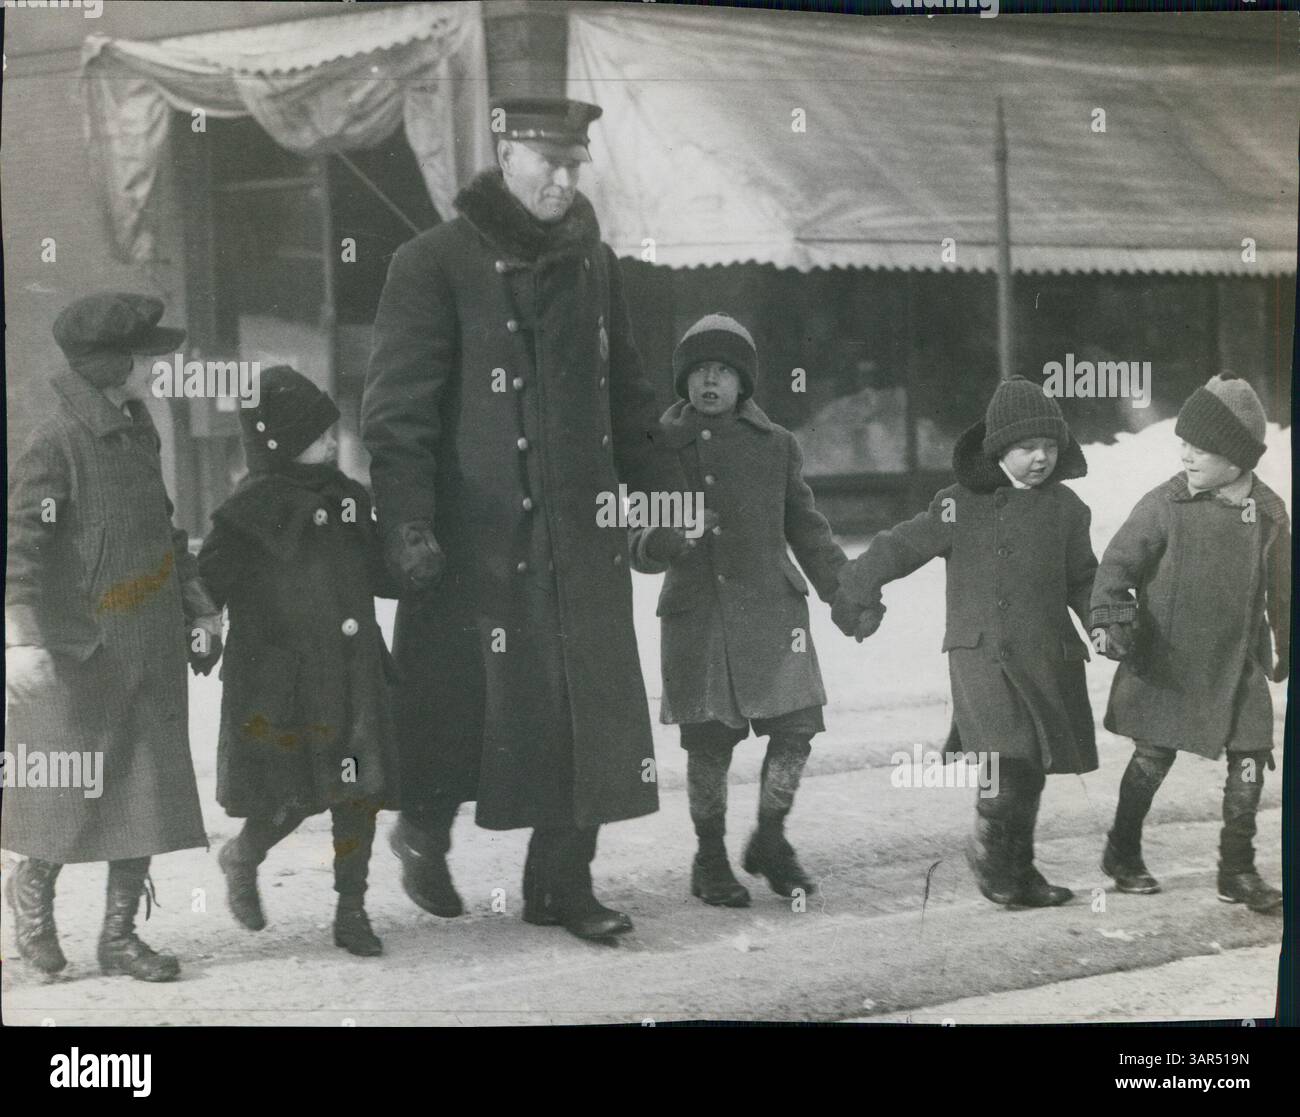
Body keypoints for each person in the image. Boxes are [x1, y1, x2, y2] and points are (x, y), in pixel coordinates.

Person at [361, 97, 686, 941]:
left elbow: (634, 397)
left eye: (577, 161)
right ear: (505, 154)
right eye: (549, 159)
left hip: (581, 538)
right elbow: (399, 416)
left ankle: (562, 885)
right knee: (458, 706)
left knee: (587, 710)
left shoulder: (597, 267)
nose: (566, 176)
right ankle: (423, 832)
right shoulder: (431, 262)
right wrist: (408, 525)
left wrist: (664, 497)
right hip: (474, 542)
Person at [4, 292, 220, 981]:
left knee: (148, 794)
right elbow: (22, 551)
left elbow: (166, 529)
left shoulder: (138, 429)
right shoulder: (55, 442)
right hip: (82, 654)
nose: (159, 367)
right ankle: (32, 899)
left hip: (150, 645)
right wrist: (21, 637)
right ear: (112, 364)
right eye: (148, 356)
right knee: (69, 799)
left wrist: (201, 607)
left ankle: (119, 937)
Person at [834, 376, 1099, 907]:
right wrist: (856, 589)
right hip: (982, 656)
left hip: (1046, 655)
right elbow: (900, 545)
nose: (1041, 458)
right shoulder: (959, 504)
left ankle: (1014, 870)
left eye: (1050, 447)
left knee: (1029, 768)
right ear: (999, 448)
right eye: (1027, 448)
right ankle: (994, 860)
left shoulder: (1068, 508)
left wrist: (1105, 622)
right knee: (1006, 761)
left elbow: (1083, 579)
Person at [631, 314, 845, 907]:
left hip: (773, 613)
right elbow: (631, 532)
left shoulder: (777, 445)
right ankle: (710, 858)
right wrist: (659, 542)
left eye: (723, 372)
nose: (710, 382)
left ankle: (771, 839)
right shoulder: (656, 446)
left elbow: (808, 529)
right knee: (709, 743)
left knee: (797, 728)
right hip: (696, 617)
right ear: (683, 380)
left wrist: (845, 593)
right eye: (699, 371)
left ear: (743, 383)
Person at [199, 366, 401, 956]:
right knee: (288, 796)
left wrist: (412, 564)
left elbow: (379, 577)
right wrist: (200, 625)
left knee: (357, 792)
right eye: (318, 435)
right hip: (281, 684)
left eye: (332, 431)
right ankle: (243, 854)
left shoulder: (348, 498)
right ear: (278, 442)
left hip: (353, 674)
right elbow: (207, 583)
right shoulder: (248, 511)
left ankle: (351, 910)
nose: (333, 443)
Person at [1092, 375, 1288, 914]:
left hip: (1238, 665)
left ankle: (1237, 869)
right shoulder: (1165, 504)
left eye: (1200, 449)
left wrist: (1286, 643)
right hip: (1169, 661)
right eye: (1184, 444)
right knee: (1152, 759)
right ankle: (1122, 850)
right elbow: (1117, 565)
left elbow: (1283, 588)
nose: (1185, 455)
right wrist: (1110, 619)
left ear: (1236, 458)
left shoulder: (1268, 513)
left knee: (1250, 760)